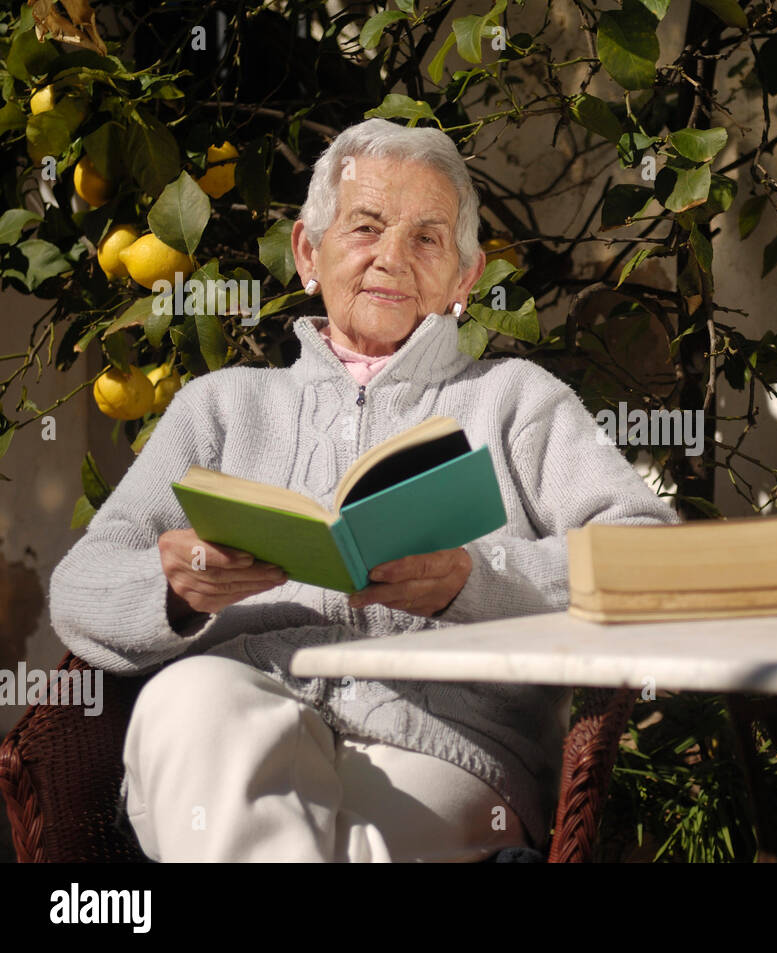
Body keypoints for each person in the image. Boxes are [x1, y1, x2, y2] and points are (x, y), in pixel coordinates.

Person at [48, 117, 680, 862]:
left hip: (444, 755)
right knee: (193, 703)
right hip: (233, 728)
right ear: (308, 253)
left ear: (465, 278)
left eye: (427, 238)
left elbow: (652, 565)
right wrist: (175, 587)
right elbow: (78, 590)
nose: (391, 258)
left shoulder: (517, 402)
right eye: (365, 227)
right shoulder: (220, 406)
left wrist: (478, 579)